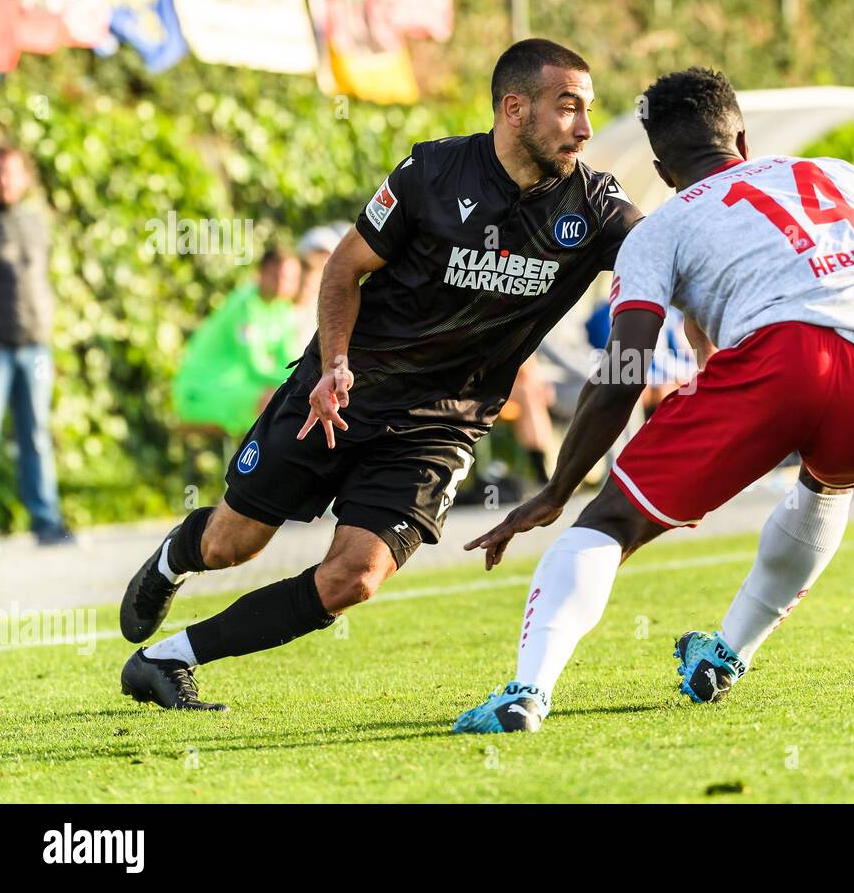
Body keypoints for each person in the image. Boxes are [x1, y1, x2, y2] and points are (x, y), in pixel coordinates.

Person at [117, 39, 642, 710]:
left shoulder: (593, 208)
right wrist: (333, 364)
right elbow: (343, 269)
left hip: (442, 425)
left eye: (587, 110)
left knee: (354, 580)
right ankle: (171, 561)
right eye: (568, 108)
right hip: (340, 392)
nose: (585, 128)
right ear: (515, 108)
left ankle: (167, 660)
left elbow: (664, 243)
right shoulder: (432, 173)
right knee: (230, 544)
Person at [452, 67, 854, 733]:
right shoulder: (835, 172)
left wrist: (560, 487)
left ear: (664, 172)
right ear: (742, 137)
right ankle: (726, 655)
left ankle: (527, 693)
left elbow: (627, 366)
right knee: (825, 489)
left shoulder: (660, 229)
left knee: (609, 523)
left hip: (782, 361)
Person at [0, 145, 74, 547]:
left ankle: (46, 523)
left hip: (35, 347)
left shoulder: (36, 222)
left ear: (24, 177)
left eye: (10, 173)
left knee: (37, 436)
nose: (4, 182)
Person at [171, 247, 302, 435]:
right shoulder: (244, 307)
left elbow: (289, 361)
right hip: (200, 392)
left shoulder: (283, 309)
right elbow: (254, 369)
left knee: (290, 398)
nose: (283, 282)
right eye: (277, 275)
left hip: (237, 389)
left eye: (291, 278)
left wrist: (304, 379)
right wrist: (298, 382)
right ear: (262, 273)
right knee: (274, 399)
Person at [292, 224, 345, 355]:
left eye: (326, 256)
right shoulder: (279, 301)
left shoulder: (334, 306)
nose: (322, 262)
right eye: (317, 254)